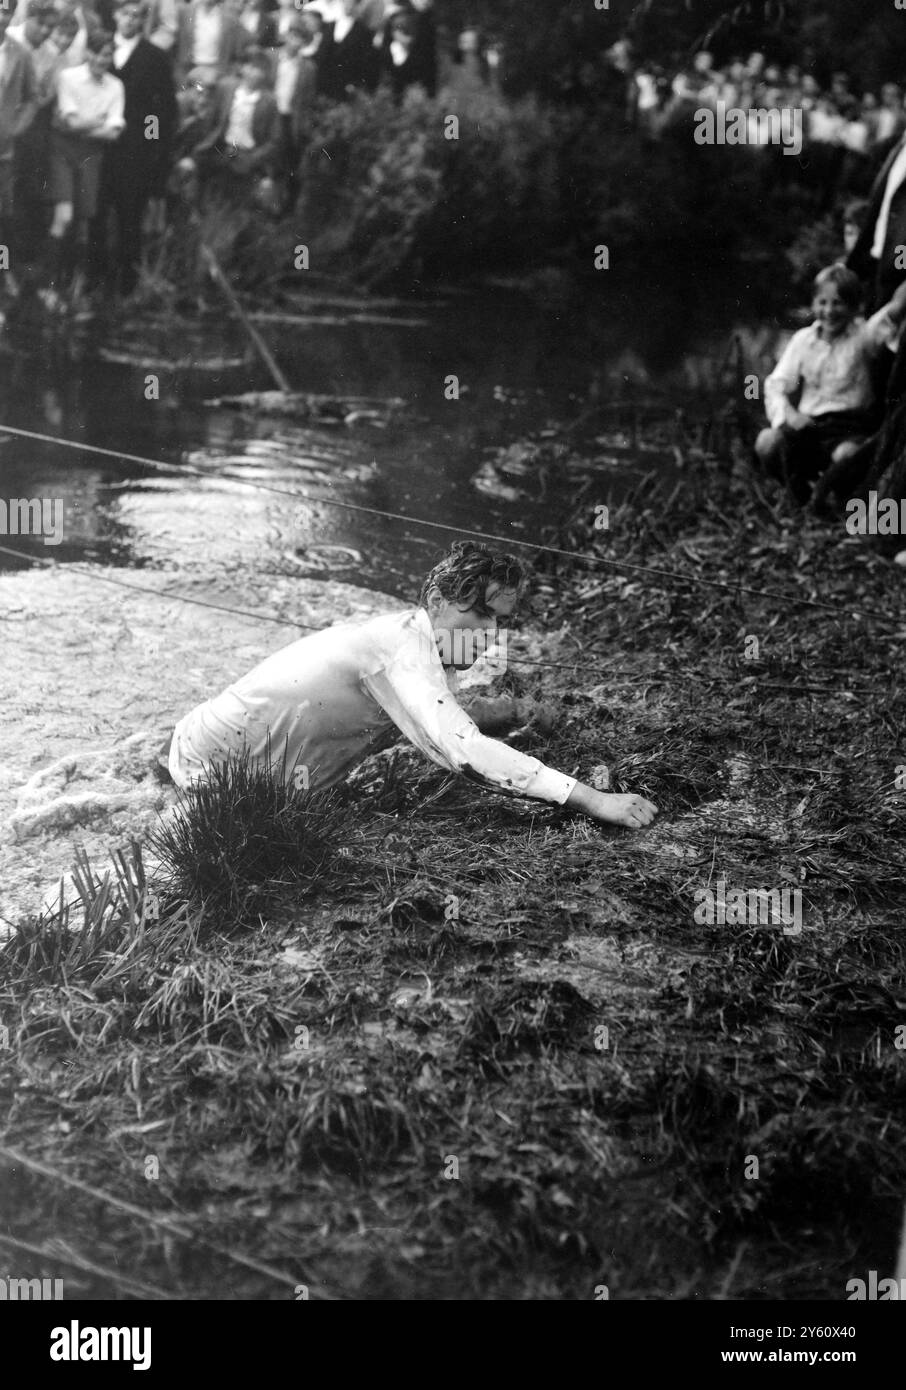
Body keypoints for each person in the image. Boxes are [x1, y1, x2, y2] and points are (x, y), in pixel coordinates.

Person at [162, 542, 659, 832]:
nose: (488, 632)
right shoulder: (401, 651)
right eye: (477, 613)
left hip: (262, 773)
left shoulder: (426, 649)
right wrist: (593, 800)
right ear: (439, 601)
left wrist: (511, 710)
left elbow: (448, 714)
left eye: (498, 620)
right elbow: (462, 750)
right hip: (210, 767)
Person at [755, 263, 906, 503]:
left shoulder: (863, 337)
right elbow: (775, 385)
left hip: (848, 429)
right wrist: (790, 416)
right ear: (813, 304)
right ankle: (801, 496)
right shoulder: (802, 340)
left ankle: (837, 497)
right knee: (767, 441)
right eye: (822, 302)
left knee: (848, 455)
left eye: (838, 303)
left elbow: (895, 310)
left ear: (854, 307)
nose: (829, 311)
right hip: (808, 428)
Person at [90, 0, 175, 296]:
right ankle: (93, 280)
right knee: (95, 214)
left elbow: (161, 109)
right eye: (125, 13)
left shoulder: (154, 56)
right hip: (98, 144)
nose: (130, 20)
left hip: (134, 149)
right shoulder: (99, 48)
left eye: (136, 15)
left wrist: (150, 143)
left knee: (129, 216)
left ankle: (127, 285)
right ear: (115, 15)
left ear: (143, 20)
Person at [43, 27, 124, 309]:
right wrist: (98, 122)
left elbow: (114, 133)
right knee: (63, 216)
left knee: (84, 221)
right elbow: (71, 122)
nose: (103, 60)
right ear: (88, 53)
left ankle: (75, 287)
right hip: (63, 151)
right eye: (99, 54)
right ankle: (50, 286)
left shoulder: (116, 86)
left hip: (92, 155)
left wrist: (85, 125)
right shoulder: (69, 77)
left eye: (108, 55)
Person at [0, 2, 38, 318]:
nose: (0, 15)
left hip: (4, 151)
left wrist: (15, 128)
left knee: (3, 216)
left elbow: (32, 99)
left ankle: (3, 276)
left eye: (5, 10)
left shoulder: (20, 54)